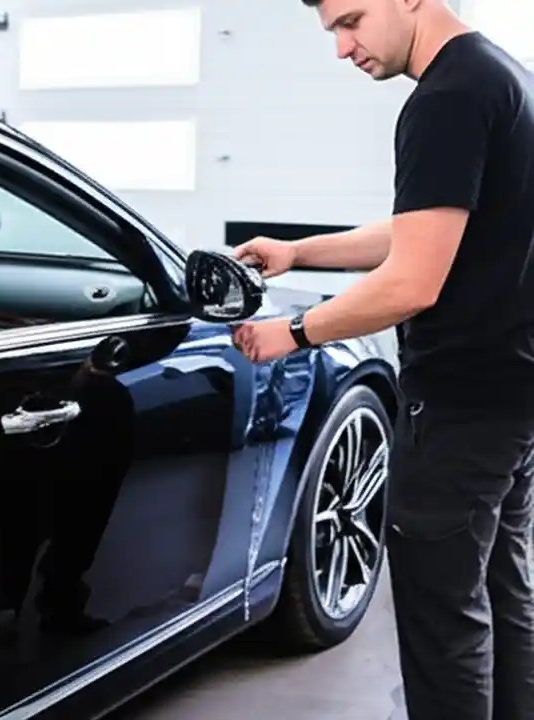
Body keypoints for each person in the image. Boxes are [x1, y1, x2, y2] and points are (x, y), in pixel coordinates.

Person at [231, 1, 534, 718]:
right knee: (501, 592)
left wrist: (295, 332)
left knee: (442, 622)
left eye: (352, 20)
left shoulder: (447, 98)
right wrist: (300, 252)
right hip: (510, 399)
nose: (343, 47)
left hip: (459, 409)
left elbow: (411, 281)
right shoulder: (501, 76)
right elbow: (418, 232)